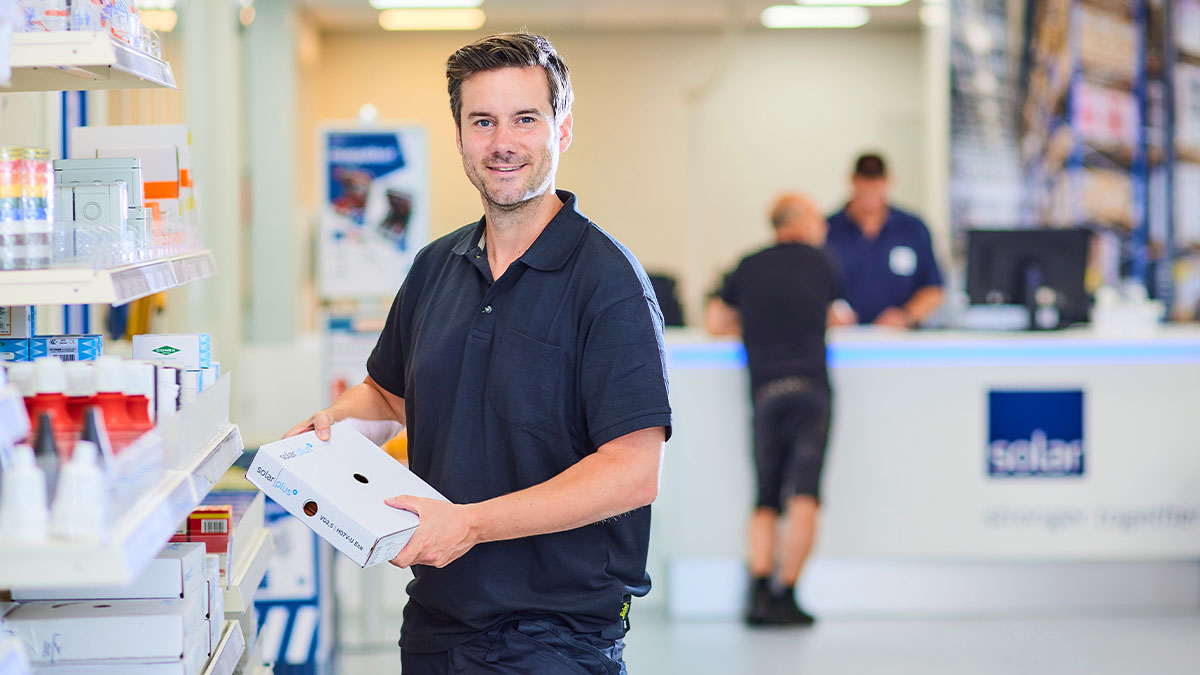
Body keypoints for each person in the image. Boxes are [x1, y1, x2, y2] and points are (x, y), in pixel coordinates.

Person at [286, 32, 671, 674]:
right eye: (483, 121)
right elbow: (388, 394)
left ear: (562, 130)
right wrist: (333, 432)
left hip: (555, 636)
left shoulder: (608, 282)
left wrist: (470, 524)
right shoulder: (437, 266)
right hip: (436, 620)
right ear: (461, 135)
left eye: (526, 119)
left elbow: (634, 470)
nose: (503, 143)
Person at [704, 193, 840, 626]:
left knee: (765, 497)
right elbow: (840, 315)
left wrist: (753, 325)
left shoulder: (748, 265)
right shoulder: (821, 263)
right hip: (811, 389)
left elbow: (714, 323)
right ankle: (789, 592)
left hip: (765, 391)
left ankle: (760, 591)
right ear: (800, 223)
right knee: (805, 494)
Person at [825, 153, 944, 328]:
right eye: (865, 185)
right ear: (853, 181)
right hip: (842, 340)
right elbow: (808, 287)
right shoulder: (827, 230)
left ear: (888, 181)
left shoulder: (913, 229)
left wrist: (906, 316)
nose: (870, 193)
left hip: (898, 343)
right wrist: (827, 312)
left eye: (876, 184)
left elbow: (933, 288)